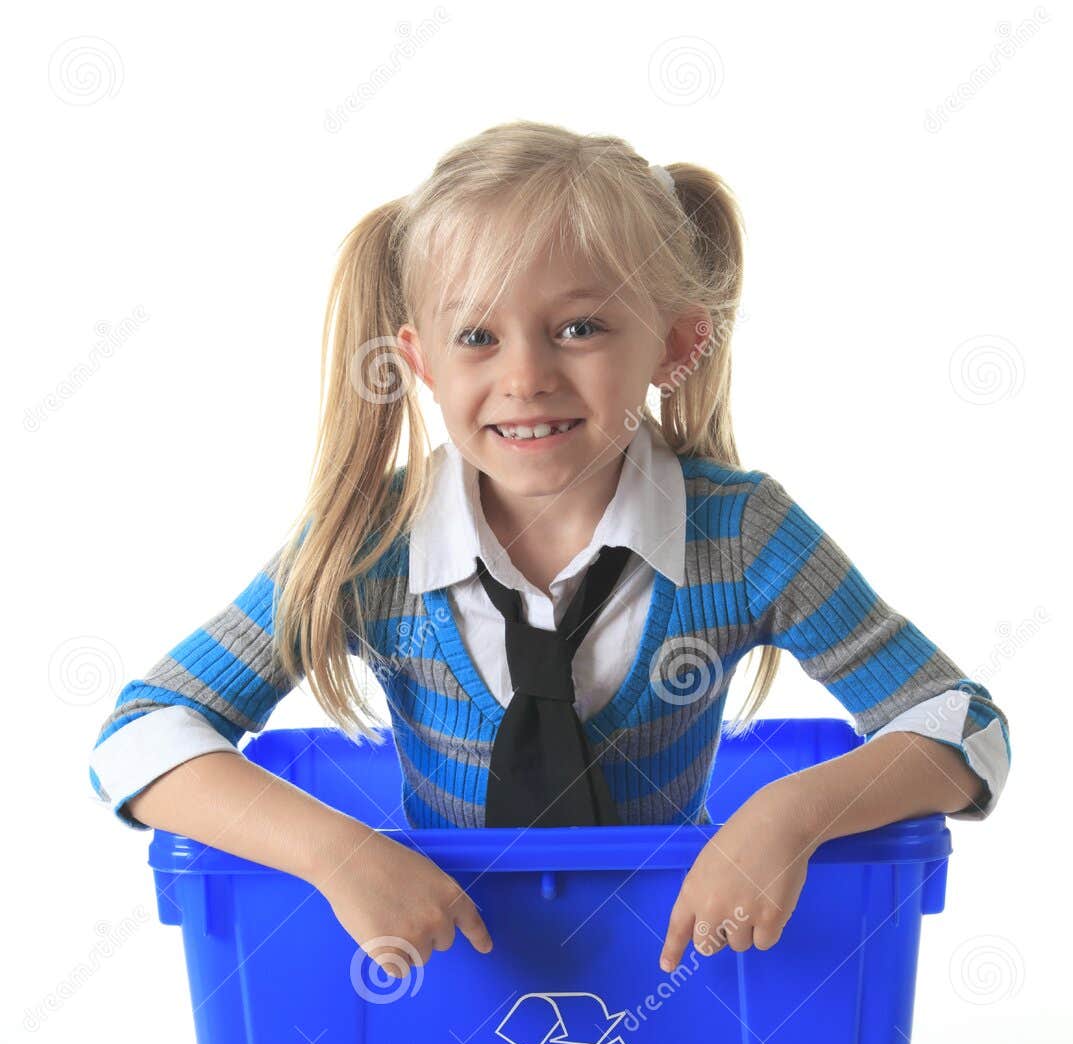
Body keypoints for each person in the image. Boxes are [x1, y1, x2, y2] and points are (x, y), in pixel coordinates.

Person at [88, 120, 1010, 980]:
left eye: (580, 328)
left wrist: (787, 816)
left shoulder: (741, 534)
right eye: (477, 336)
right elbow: (143, 733)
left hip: (677, 973)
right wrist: (340, 854)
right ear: (420, 361)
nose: (525, 377)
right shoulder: (367, 544)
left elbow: (960, 726)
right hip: (441, 980)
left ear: (676, 342)